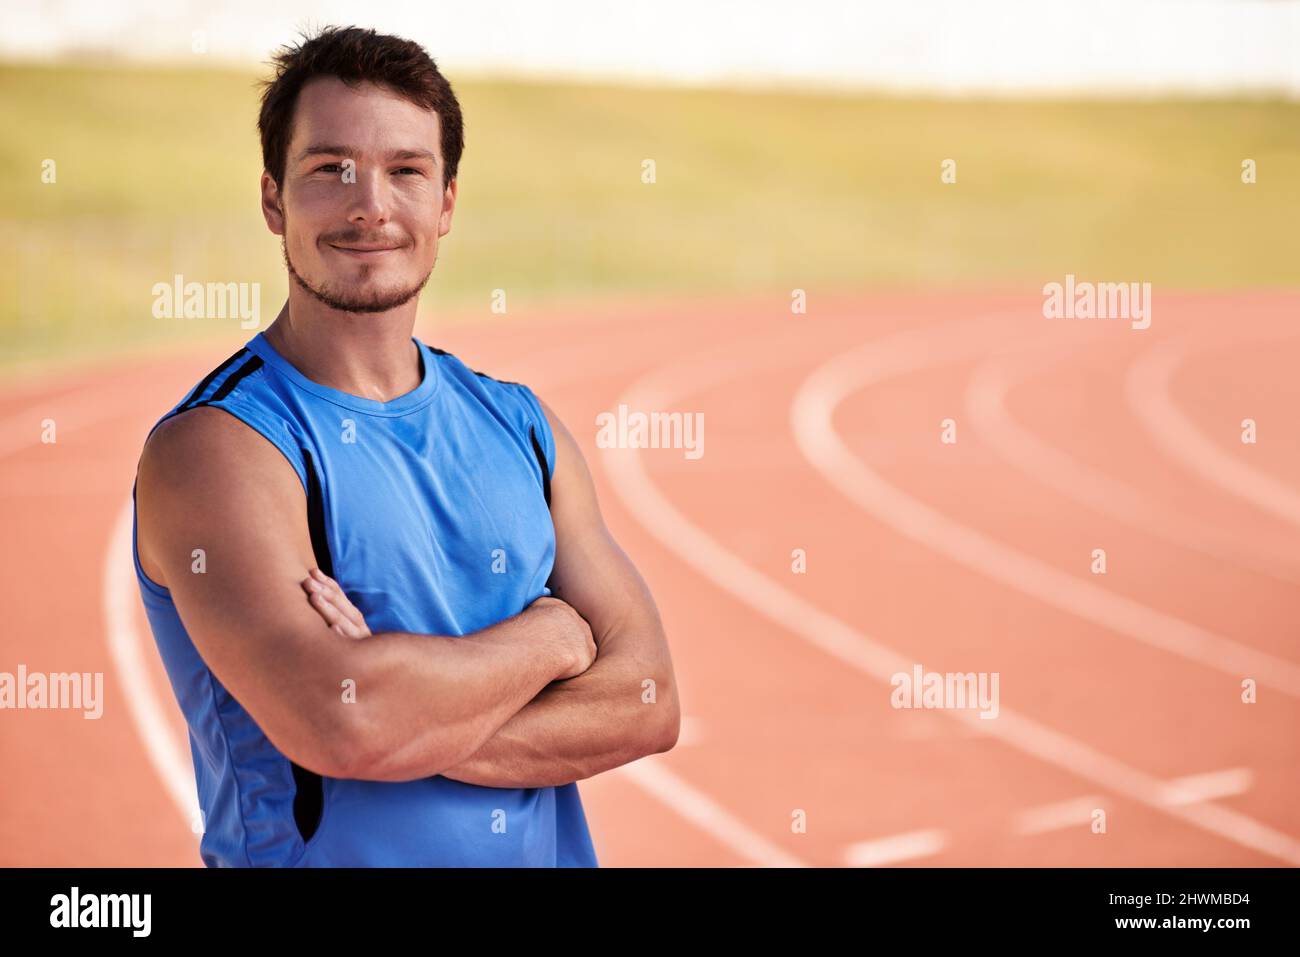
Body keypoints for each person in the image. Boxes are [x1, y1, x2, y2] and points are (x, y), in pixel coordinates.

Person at [131, 25, 679, 867]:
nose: (370, 206)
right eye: (330, 170)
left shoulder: (522, 426)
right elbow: (341, 721)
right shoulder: (218, 448)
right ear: (274, 199)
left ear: (447, 202)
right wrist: (553, 642)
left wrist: (404, 713)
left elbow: (647, 700)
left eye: (406, 171)